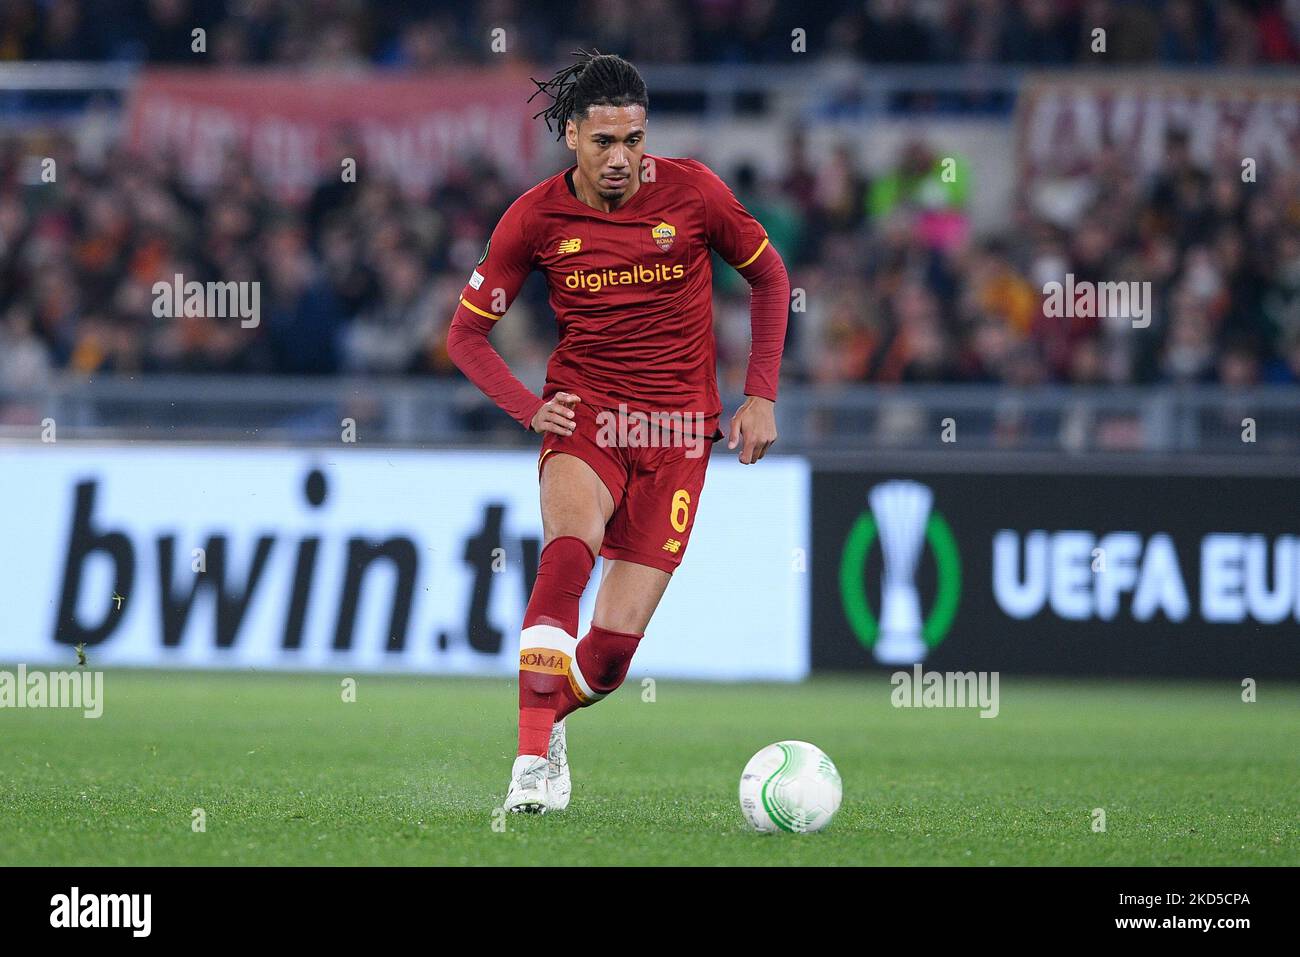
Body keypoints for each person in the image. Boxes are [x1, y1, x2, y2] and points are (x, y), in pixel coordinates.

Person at [446, 51, 790, 813]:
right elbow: (466, 336)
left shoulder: (696, 193)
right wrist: (528, 406)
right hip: (588, 418)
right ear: (572, 137)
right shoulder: (534, 216)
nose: (621, 158)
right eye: (604, 141)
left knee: (606, 660)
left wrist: (759, 393)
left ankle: (552, 715)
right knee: (566, 555)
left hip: (678, 437)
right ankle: (530, 762)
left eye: (633, 139)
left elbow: (770, 277)